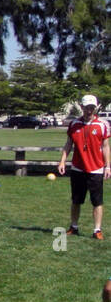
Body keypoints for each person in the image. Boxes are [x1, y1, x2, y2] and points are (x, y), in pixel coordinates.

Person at [57, 94, 110, 239]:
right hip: (78, 168)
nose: (89, 111)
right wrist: (62, 161)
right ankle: (74, 227)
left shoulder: (103, 125)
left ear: (95, 108)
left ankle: (97, 230)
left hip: (96, 168)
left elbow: (106, 147)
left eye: (92, 108)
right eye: (87, 108)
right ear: (82, 107)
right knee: (76, 200)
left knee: (97, 201)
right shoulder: (74, 124)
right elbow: (69, 144)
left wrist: (108, 167)